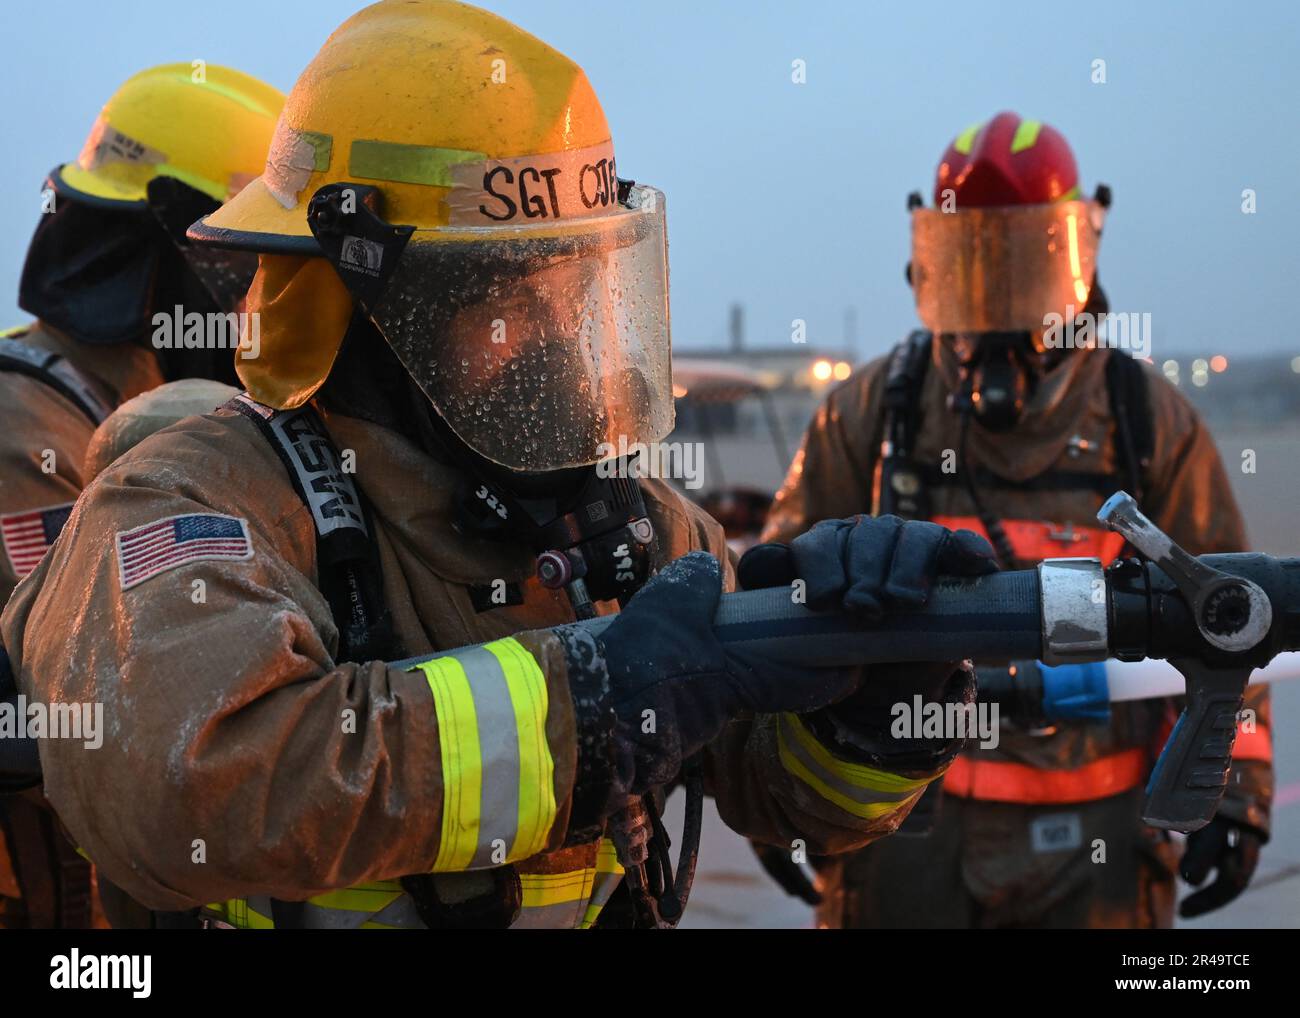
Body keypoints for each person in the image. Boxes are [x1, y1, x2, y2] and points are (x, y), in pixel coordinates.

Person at [0, 0, 997, 930]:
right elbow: (186, 783)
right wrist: (602, 700)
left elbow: (781, 795)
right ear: (360, 307)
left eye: (574, 293)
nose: (558, 346)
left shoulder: (643, 528)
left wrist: (871, 702)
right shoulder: (192, 498)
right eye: (504, 302)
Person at [759, 111, 1272, 928]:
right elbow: (777, 599)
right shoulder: (869, 417)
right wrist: (781, 785)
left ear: (1077, 261)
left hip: (1093, 847)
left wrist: (1237, 789)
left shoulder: (1148, 423)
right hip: (901, 828)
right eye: (971, 266)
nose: (996, 306)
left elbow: (1229, 610)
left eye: (1019, 268)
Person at [0, 63, 284, 928]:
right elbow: (104, 677)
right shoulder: (27, 428)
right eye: (243, 274)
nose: (257, 305)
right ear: (170, 254)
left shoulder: (125, 402)